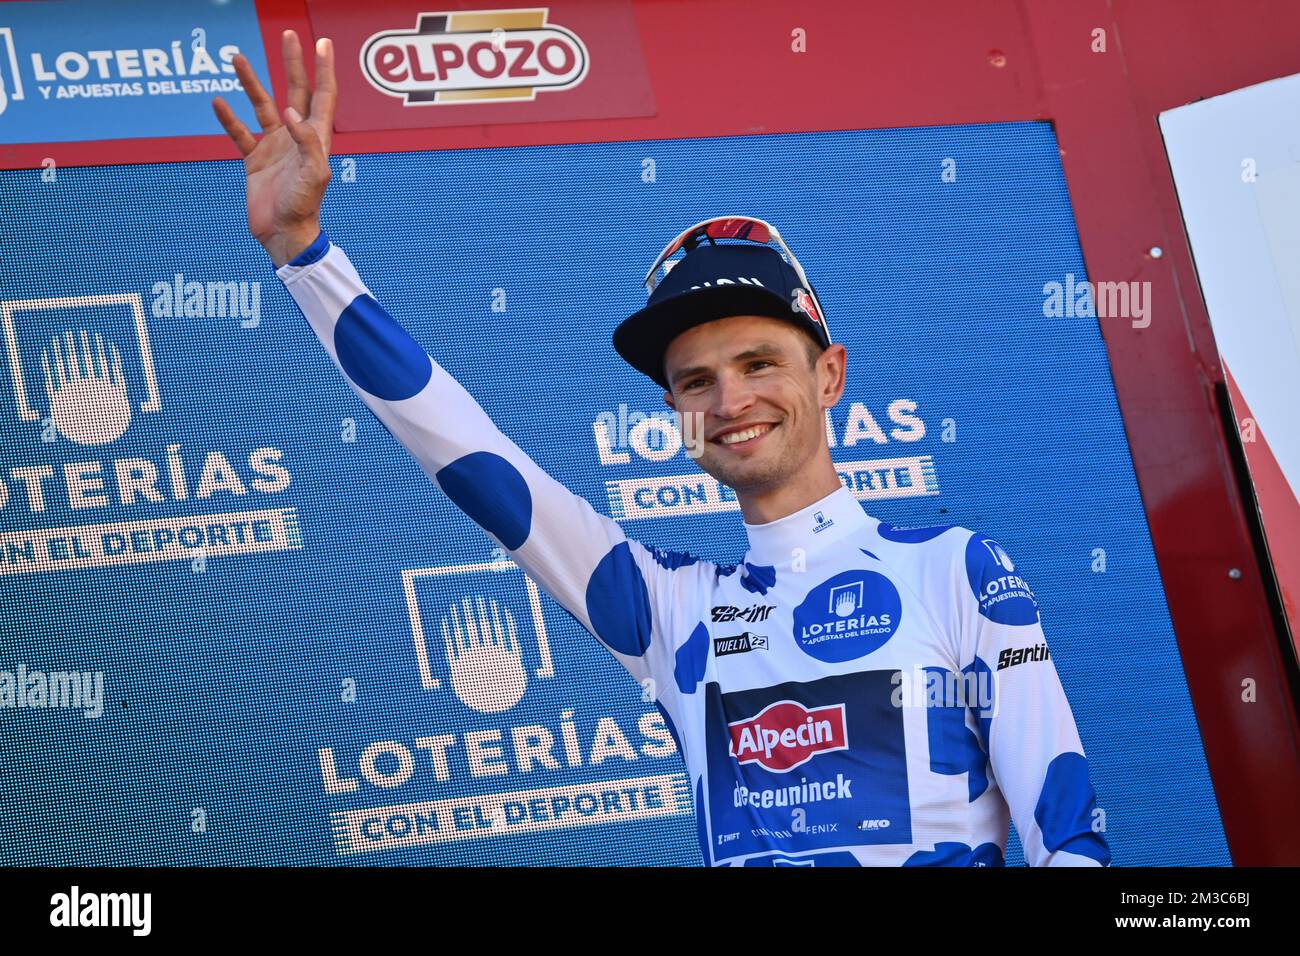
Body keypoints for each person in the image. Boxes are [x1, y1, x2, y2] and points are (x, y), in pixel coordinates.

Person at [213, 29, 1111, 867]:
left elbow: (1066, 835)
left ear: (830, 376)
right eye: (694, 381)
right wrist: (302, 252)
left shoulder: (954, 570)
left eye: (761, 362)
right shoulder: (668, 607)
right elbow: (464, 448)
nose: (731, 400)